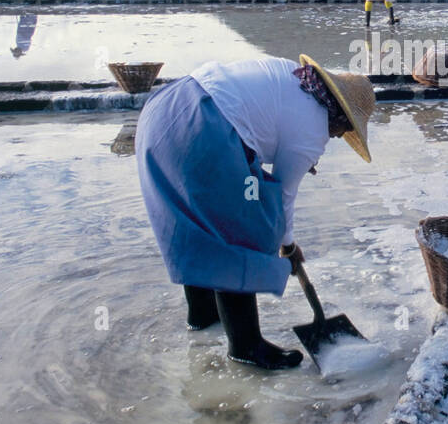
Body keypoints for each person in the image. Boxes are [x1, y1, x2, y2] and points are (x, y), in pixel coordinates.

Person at [135, 54, 375, 370]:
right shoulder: (314, 127)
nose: (337, 136)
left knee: (196, 223)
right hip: (206, 129)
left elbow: (255, 124)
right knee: (244, 229)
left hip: (167, 111)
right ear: (341, 117)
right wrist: (287, 245)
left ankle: (203, 316)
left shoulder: (291, 75)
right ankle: (246, 345)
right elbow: (284, 194)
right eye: (344, 130)